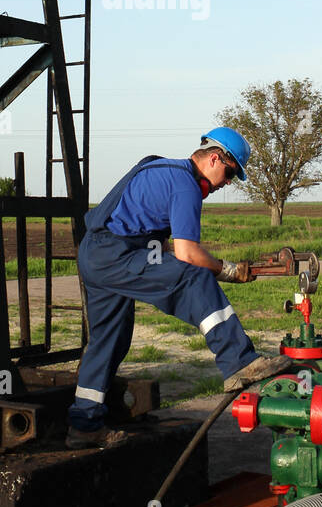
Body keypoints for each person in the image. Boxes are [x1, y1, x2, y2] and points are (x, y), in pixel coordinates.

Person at [66, 126, 287, 448]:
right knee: (195, 277)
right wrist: (227, 270)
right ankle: (239, 361)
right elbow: (186, 254)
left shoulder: (159, 167)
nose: (227, 183)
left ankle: (84, 425)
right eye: (229, 173)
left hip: (94, 254)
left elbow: (159, 243)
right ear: (214, 159)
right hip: (116, 254)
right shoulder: (185, 186)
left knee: (108, 341)